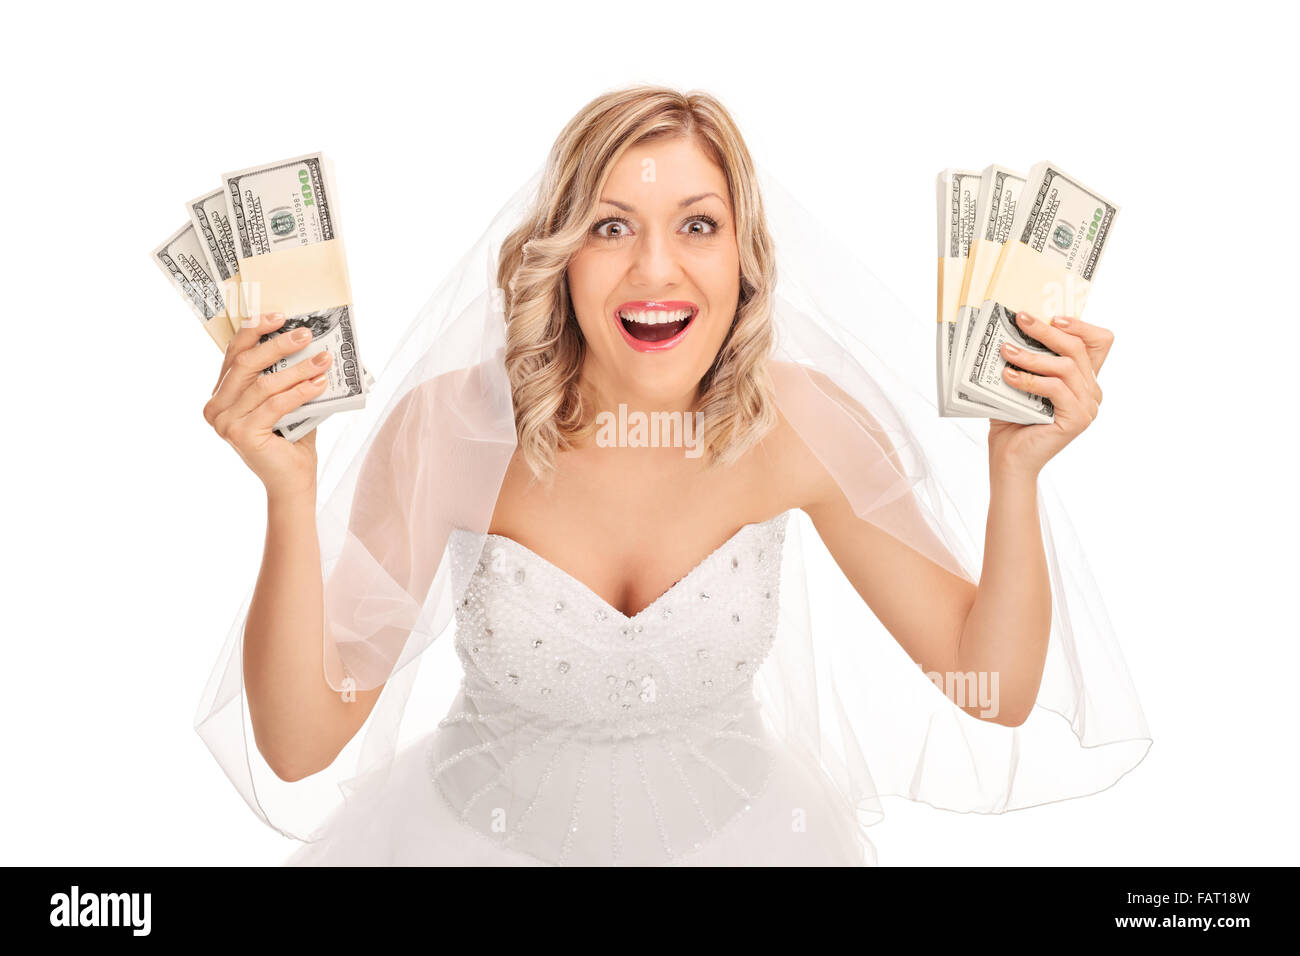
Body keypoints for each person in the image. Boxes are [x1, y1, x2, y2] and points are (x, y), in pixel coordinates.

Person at [196, 85, 1151, 866]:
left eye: (698, 225)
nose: (657, 270)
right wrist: (287, 491)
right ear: (559, 258)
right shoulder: (446, 430)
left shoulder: (805, 424)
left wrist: (1015, 473)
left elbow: (993, 683)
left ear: (745, 258)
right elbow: (296, 742)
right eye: (611, 229)